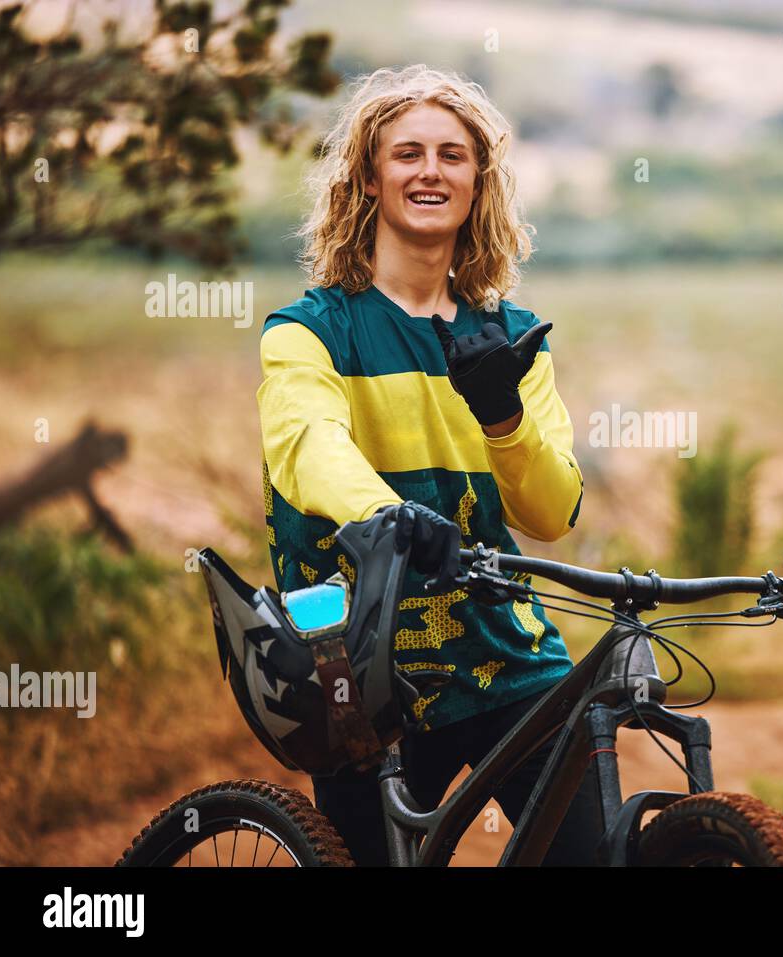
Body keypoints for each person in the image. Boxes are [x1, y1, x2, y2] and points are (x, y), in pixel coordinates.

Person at [255, 65, 601, 865]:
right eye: (406, 153)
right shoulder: (309, 331)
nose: (430, 170)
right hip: (363, 668)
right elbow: (307, 447)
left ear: (478, 183)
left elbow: (552, 511)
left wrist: (502, 415)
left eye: (452, 155)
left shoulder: (511, 340)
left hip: (504, 652)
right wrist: (392, 517)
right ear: (369, 180)